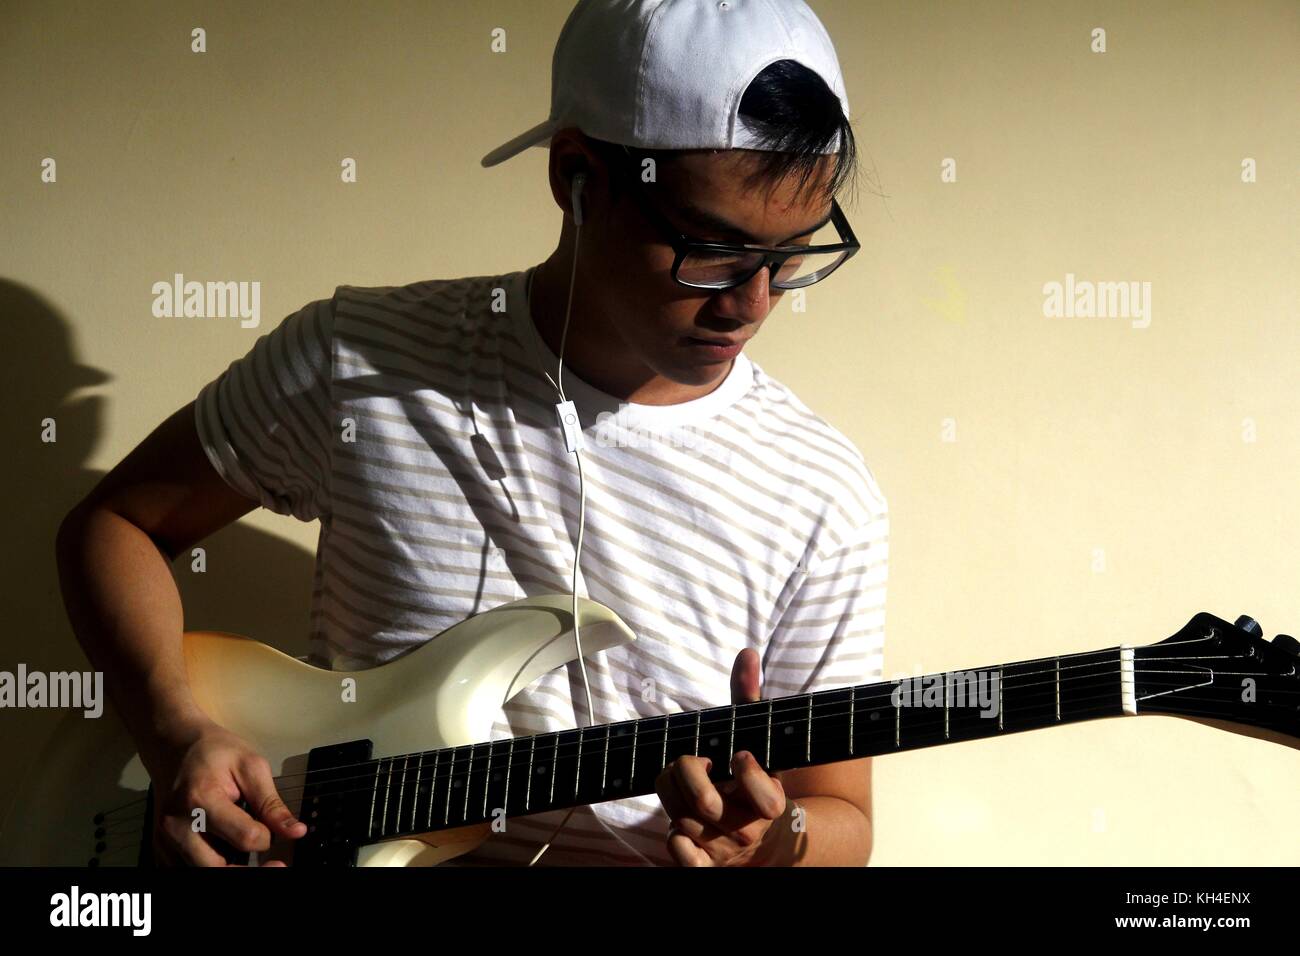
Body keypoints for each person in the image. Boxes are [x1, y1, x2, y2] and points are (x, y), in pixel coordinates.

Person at [55, 0, 888, 867]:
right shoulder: (359, 360)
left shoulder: (821, 488)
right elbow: (112, 526)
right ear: (578, 178)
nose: (753, 303)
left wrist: (771, 839)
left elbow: (842, 815)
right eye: (712, 249)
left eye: (793, 255)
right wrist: (171, 726)